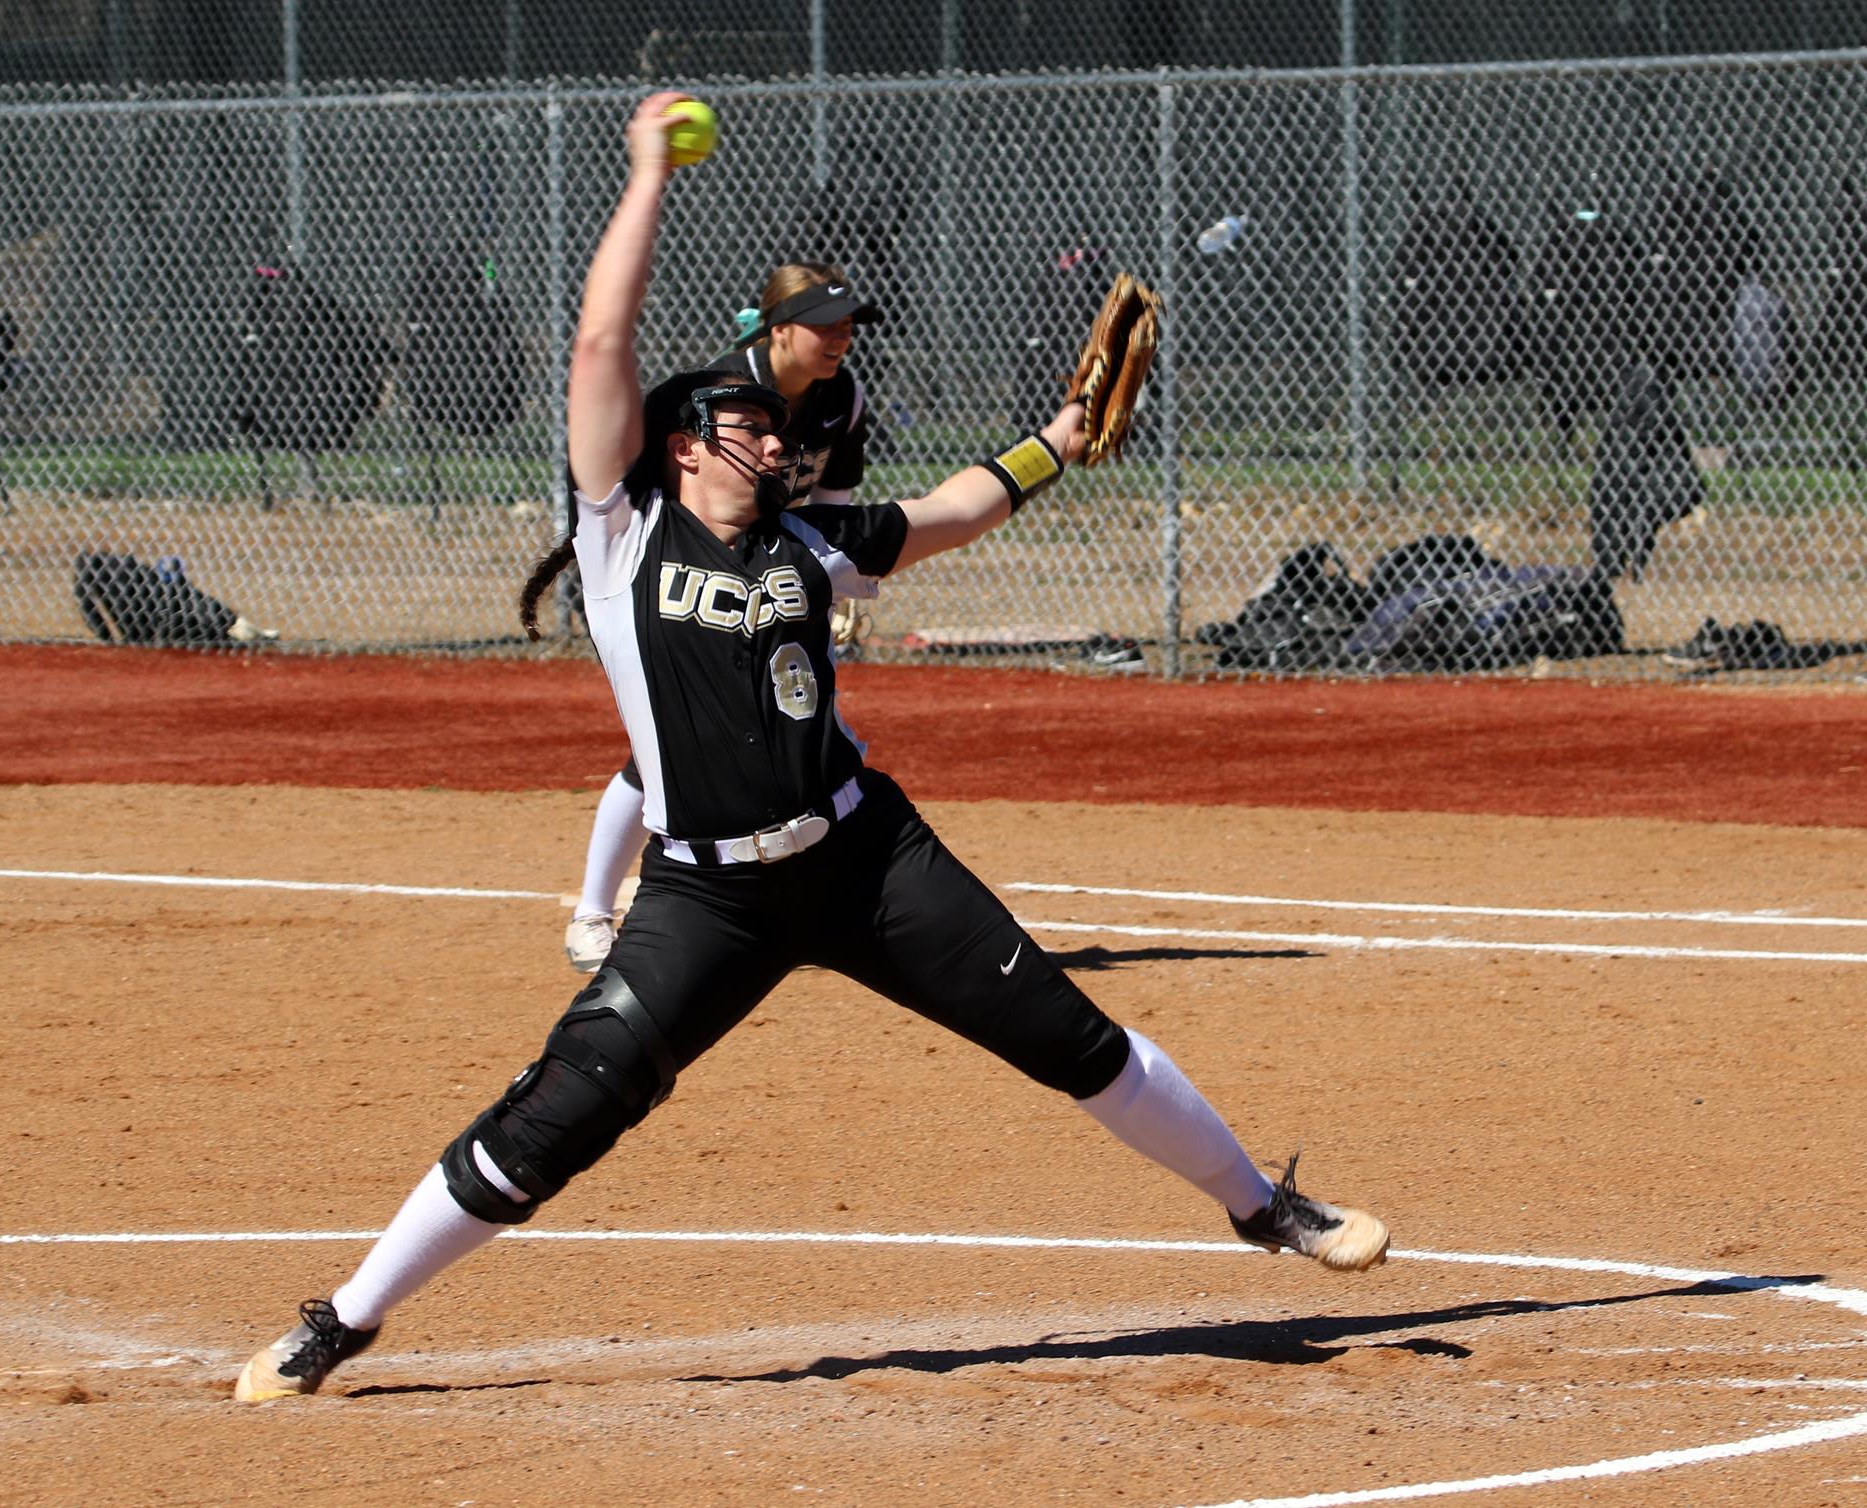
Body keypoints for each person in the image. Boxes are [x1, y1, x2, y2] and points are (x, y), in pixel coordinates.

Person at [232, 92, 1389, 1404]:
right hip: (706, 898)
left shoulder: (809, 541)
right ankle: (342, 1321)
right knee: (565, 1106)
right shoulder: (620, 537)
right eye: (752, 427)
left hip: (865, 860)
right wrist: (646, 173)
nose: (778, 440)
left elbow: (948, 511)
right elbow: (602, 337)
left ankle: (1261, 1205)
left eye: (781, 430)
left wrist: (1055, 447)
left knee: (1068, 1036)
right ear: (682, 445)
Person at [563, 259, 882, 974]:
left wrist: (824, 586)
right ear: (779, 330)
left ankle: (817, 906)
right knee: (665, 756)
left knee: (809, 735)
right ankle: (592, 911)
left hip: (776, 576)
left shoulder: (843, 397)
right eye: (823, 324)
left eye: (846, 325)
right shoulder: (725, 392)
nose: (839, 338)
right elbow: (665, 497)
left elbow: (832, 504)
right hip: (682, 579)